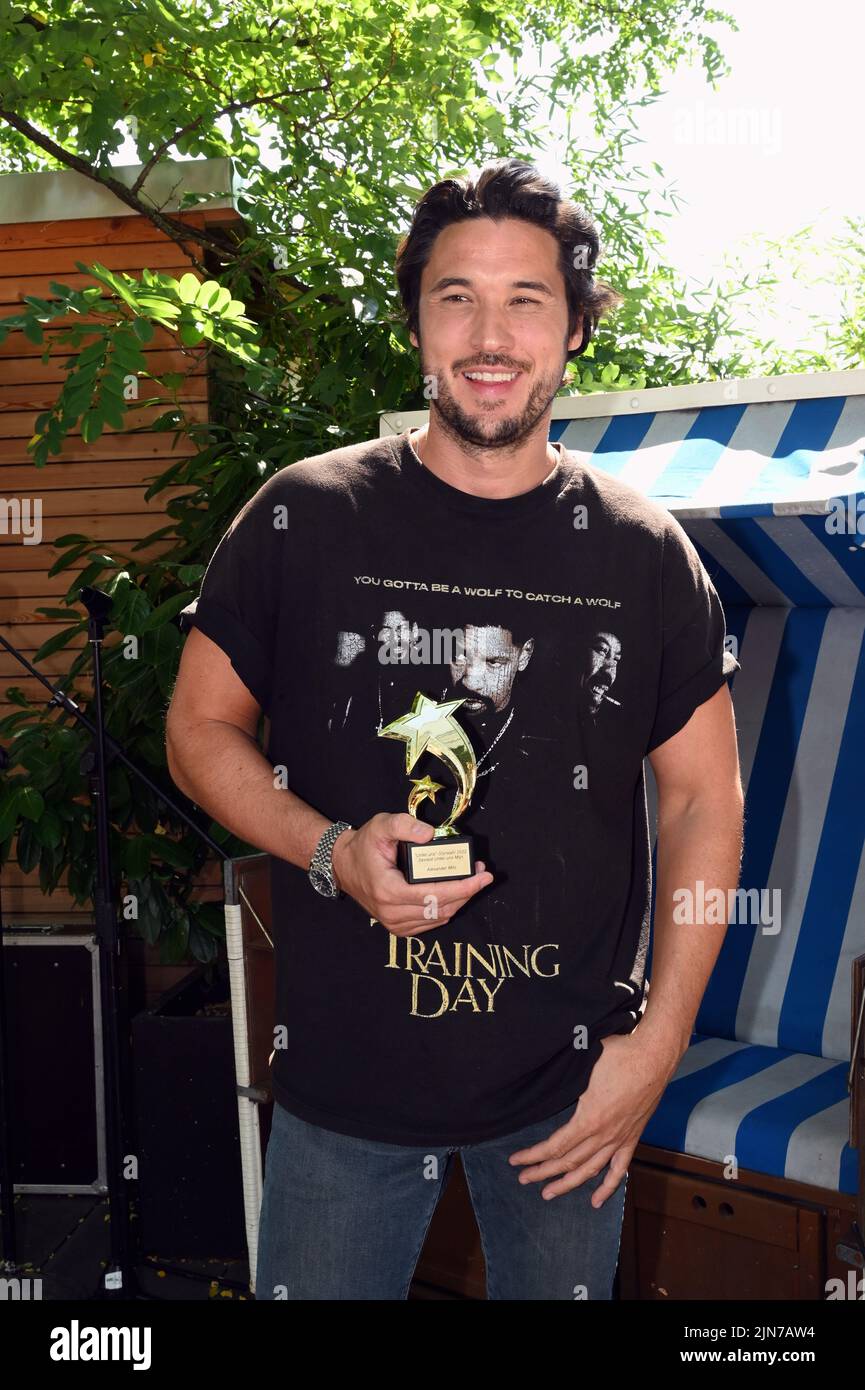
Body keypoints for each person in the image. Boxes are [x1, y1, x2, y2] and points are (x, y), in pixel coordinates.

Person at [166, 158, 744, 1301]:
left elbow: (702, 799)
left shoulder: (642, 551)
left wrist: (655, 1047)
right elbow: (199, 727)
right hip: (343, 1094)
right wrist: (329, 849)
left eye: (527, 298)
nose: (491, 333)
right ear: (417, 325)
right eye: (456, 297)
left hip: (568, 1097)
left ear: (575, 328)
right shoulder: (303, 514)